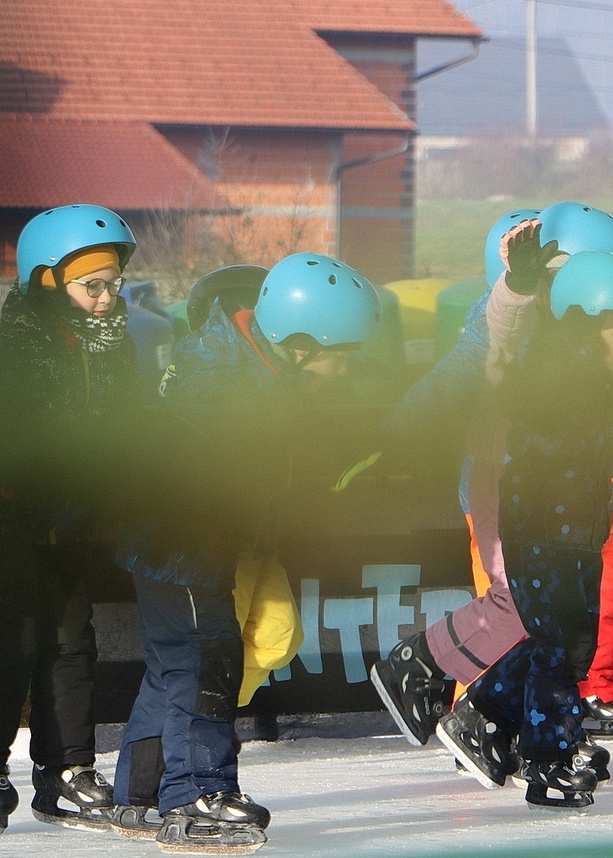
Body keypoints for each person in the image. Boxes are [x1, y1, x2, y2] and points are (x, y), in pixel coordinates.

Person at [109, 252, 380, 853]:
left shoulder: (251, 367)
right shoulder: (223, 383)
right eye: (341, 358)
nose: (344, 373)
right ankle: (194, 793)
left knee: (174, 666)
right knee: (206, 661)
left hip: (185, 545)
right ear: (301, 343)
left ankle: (139, 794)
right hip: (180, 546)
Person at [371, 202, 613, 751]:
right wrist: (393, 436)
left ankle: (521, 726)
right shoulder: (516, 310)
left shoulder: (598, 334)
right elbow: (482, 347)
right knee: (517, 606)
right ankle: (458, 693)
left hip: (580, 492)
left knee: (557, 618)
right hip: (511, 483)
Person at [0, 205, 143, 834]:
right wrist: (1, 480)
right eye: (93, 287)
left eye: (114, 284)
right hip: (2, 521)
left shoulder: (114, 350)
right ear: (48, 286)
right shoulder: (14, 354)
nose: (108, 300)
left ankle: (65, 773)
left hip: (65, 521)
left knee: (70, 642)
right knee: (12, 641)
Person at [447, 250, 613, 810]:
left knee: (568, 641)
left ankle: (485, 715)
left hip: (577, 523)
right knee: (554, 643)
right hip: (537, 522)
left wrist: (607, 488)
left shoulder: (598, 376)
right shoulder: (543, 367)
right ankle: (544, 753)